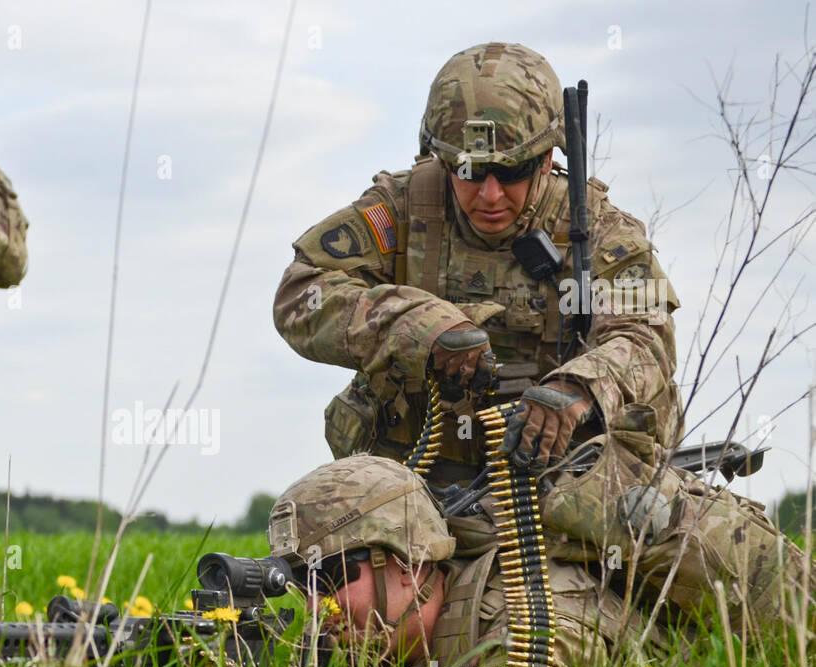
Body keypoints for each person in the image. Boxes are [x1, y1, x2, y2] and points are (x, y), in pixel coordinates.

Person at [272, 42, 681, 484]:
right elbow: (302, 293)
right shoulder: (405, 210)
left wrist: (578, 386)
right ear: (443, 160)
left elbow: (646, 334)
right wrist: (420, 328)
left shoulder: (594, 228)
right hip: (416, 482)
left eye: (509, 173)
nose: (489, 194)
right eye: (468, 171)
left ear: (547, 159)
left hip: (560, 480)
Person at [266, 455, 665, 667]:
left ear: (408, 562)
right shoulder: (368, 644)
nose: (317, 608)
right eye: (302, 584)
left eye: (329, 577)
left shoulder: (528, 635)